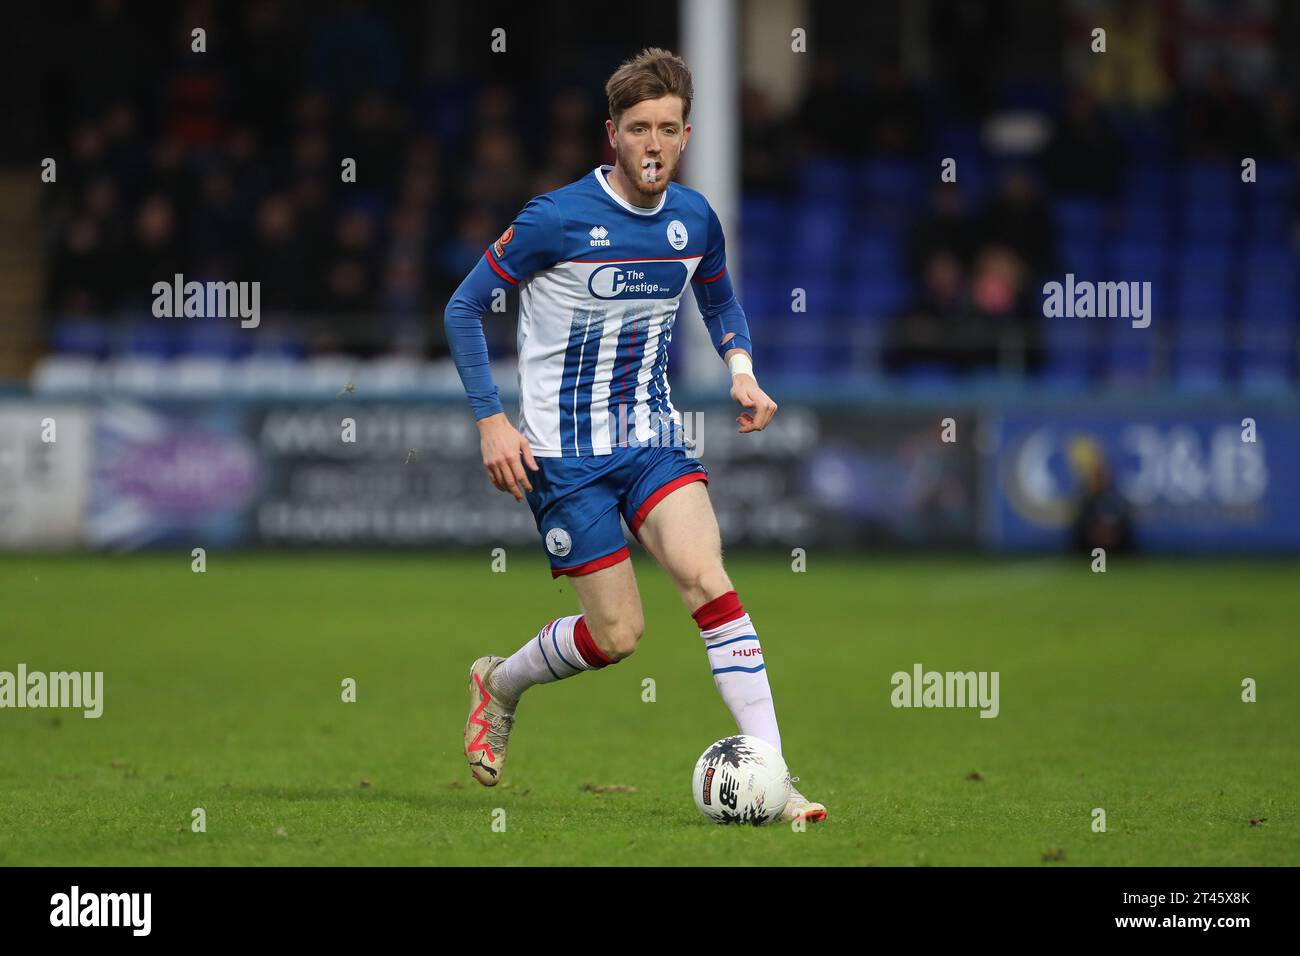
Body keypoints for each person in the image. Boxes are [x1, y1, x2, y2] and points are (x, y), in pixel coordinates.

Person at [442, 48, 825, 823]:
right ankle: (502, 683)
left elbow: (718, 301)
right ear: (611, 134)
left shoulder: (694, 220)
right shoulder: (555, 219)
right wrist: (491, 421)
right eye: (640, 128)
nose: (655, 144)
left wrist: (741, 370)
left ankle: (777, 779)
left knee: (707, 581)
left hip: (651, 437)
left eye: (670, 129)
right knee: (618, 636)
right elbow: (462, 309)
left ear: (686, 136)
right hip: (562, 457)